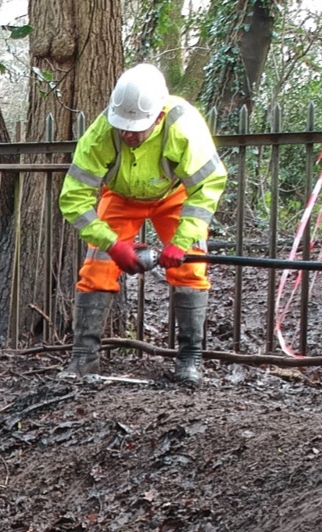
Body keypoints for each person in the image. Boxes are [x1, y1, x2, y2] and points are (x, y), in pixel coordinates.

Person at [57, 63, 229, 382]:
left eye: (136, 129)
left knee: (191, 269)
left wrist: (181, 241)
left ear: (159, 117)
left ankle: (190, 359)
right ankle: (83, 358)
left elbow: (207, 185)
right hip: (121, 197)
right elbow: (73, 199)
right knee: (97, 269)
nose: (128, 134)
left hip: (174, 195)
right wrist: (112, 244)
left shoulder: (183, 126)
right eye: (123, 127)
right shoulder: (101, 134)